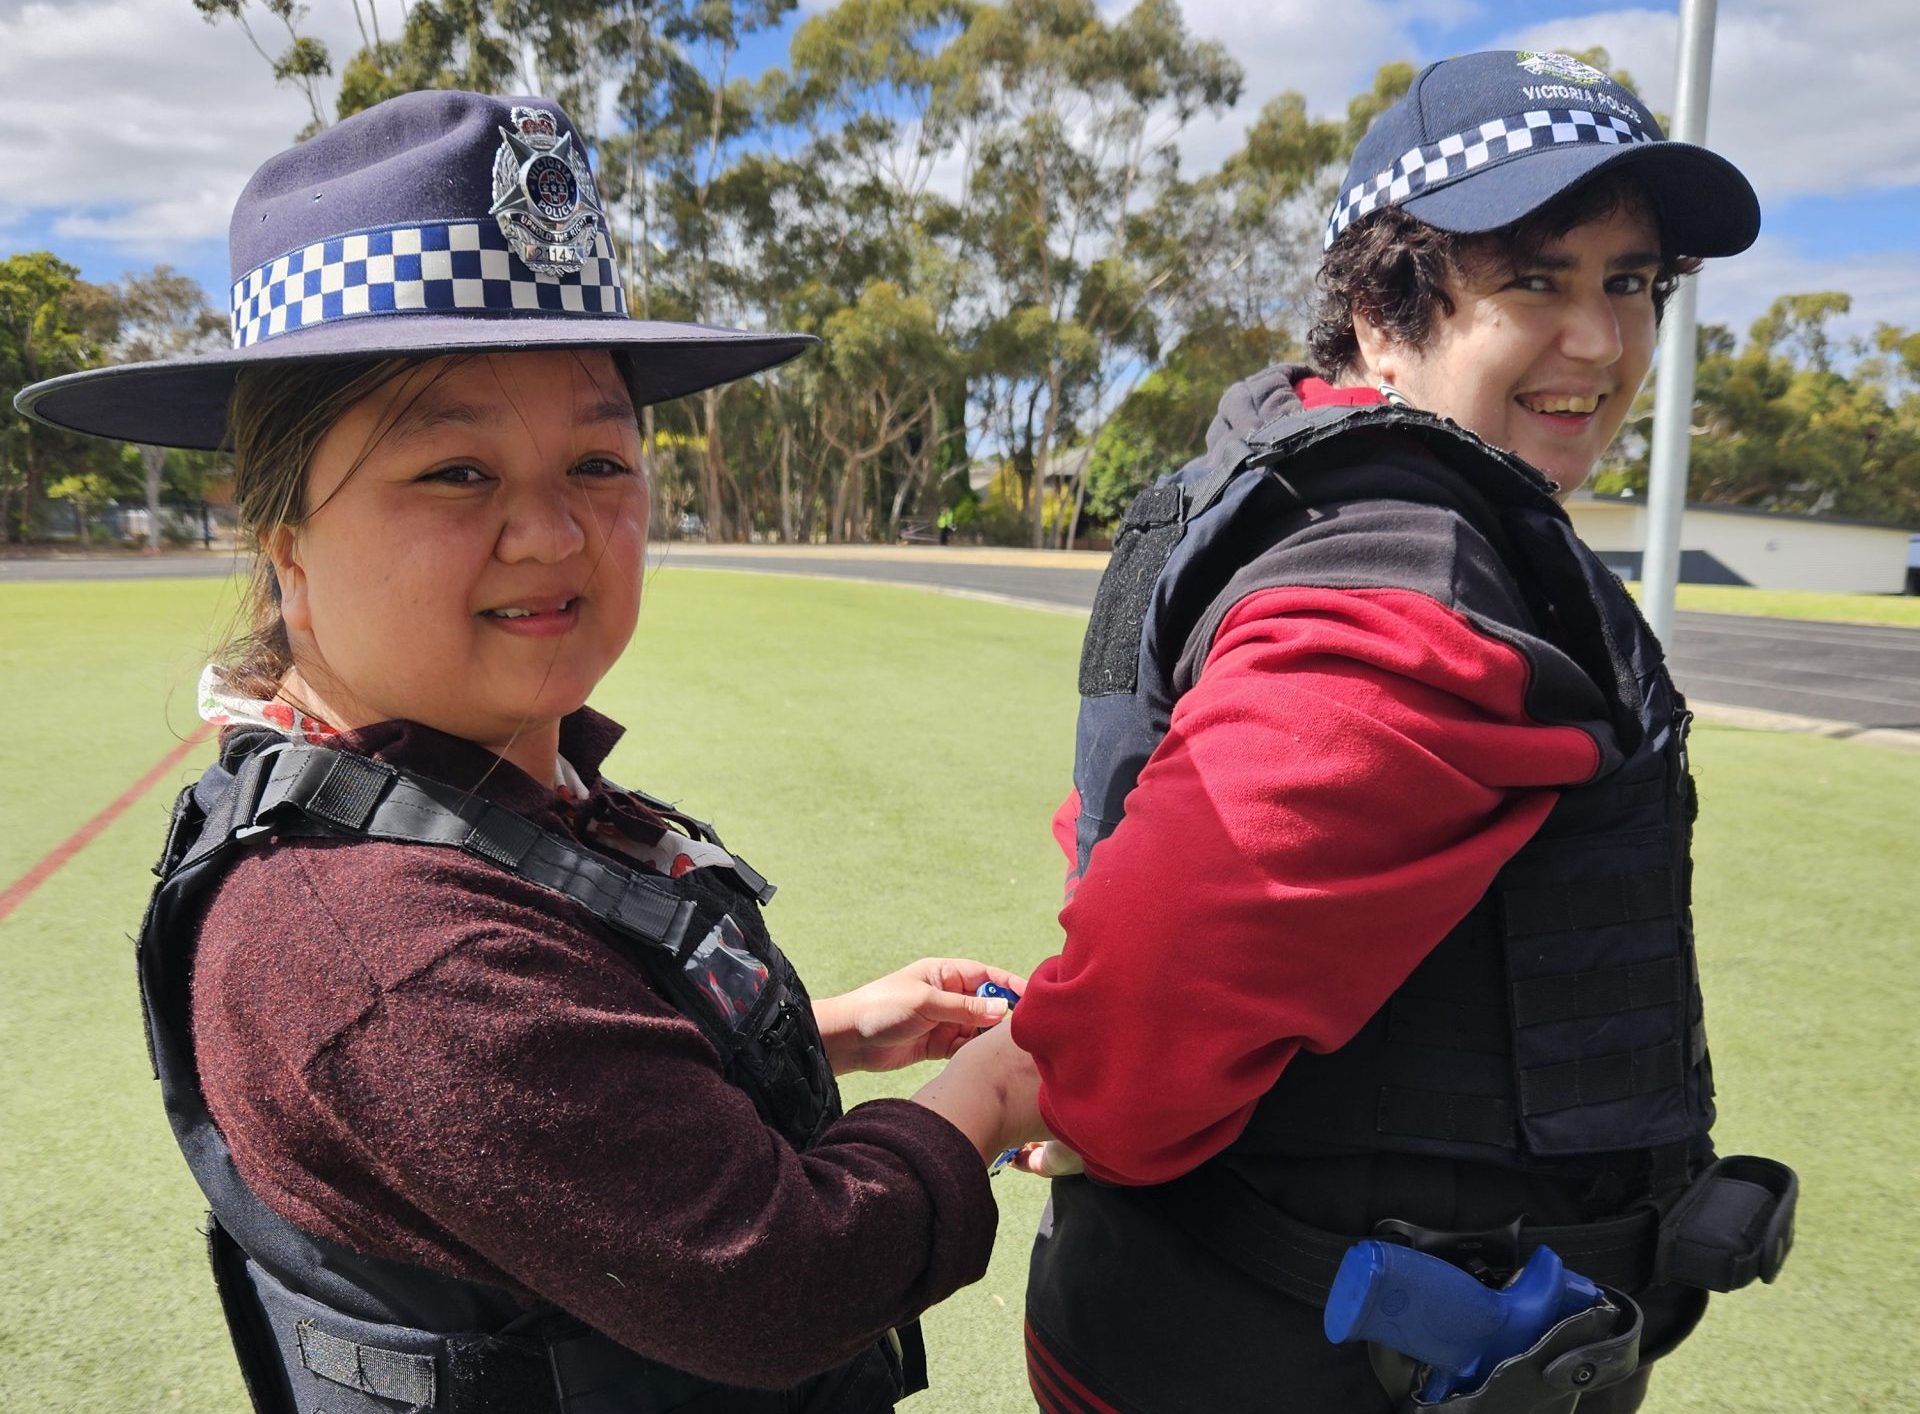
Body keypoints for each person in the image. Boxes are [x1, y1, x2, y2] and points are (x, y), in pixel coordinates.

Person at [17, 90, 1049, 1414]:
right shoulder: (380, 944)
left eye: (599, 462)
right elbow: (783, 1275)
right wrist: (993, 1091)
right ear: (288, 549)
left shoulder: (454, 790)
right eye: (456, 471)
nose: (554, 533)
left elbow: (564, 1099)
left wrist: (835, 1031)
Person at [1002, 51, 1797, 1413]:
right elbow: (1154, 986)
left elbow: (1117, 809)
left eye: (1631, 283)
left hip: (1164, 1303)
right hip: (1310, 1362)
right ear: (1383, 311)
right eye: (1536, 280)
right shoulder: (1409, 586)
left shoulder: (1271, 474)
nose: (1602, 342)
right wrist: (1077, 1088)